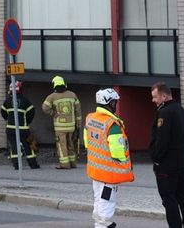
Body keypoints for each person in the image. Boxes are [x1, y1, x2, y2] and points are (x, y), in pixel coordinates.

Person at [86, 88, 134, 228]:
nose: (116, 104)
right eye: (115, 102)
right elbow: (117, 152)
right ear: (110, 103)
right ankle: (102, 224)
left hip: (95, 169)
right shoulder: (112, 124)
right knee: (107, 200)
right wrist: (124, 162)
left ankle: (99, 222)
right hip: (109, 173)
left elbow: (87, 142)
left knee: (98, 198)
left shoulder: (90, 118)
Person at [151, 83, 184, 228]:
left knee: (169, 199)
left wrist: (156, 159)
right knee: (183, 196)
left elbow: (162, 140)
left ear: (164, 96)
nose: (153, 100)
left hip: (167, 165)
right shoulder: (181, 110)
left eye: (155, 97)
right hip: (181, 161)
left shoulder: (164, 113)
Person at [41, 75, 82, 169]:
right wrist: (78, 123)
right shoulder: (72, 95)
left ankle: (64, 164)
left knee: (61, 145)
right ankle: (73, 163)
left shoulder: (52, 97)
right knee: (70, 144)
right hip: (71, 126)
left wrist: (53, 113)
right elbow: (78, 110)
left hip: (60, 127)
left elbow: (44, 107)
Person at [0, 80, 39, 170]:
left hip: (10, 129)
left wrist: (9, 120)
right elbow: (31, 113)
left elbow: (3, 113)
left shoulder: (7, 101)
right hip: (23, 129)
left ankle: (16, 165)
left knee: (14, 147)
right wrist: (26, 122)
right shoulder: (26, 101)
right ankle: (33, 165)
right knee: (27, 146)